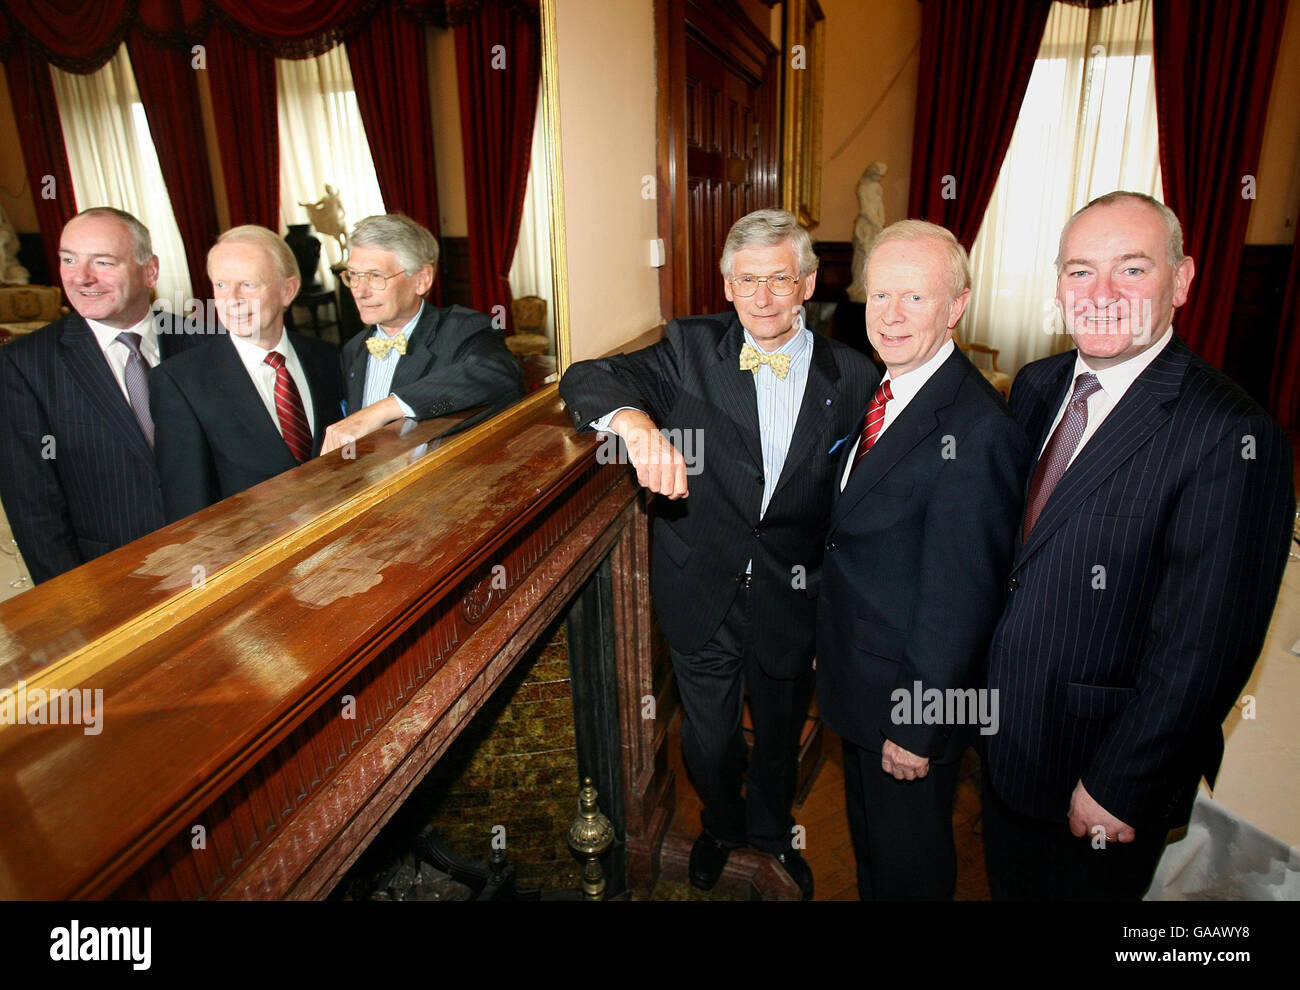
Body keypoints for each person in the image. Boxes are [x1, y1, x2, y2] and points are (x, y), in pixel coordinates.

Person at [982, 191, 1295, 900]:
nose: (1100, 294)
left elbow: (1207, 644)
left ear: (1182, 281)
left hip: (1104, 773)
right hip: (1009, 743)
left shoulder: (1230, 437)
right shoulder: (1035, 386)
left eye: (1131, 269)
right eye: (1080, 270)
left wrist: (1124, 780)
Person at [560, 208, 877, 899]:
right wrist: (638, 430)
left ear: (808, 284)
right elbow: (586, 378)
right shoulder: (688, 346)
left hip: (794, 590)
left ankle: (768, 835)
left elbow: (857, 501)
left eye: (780, 280)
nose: (763, 297)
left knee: (782, 726)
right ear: (726, 285)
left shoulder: (853, 374)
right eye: (747, 280)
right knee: (708, 740)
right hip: (699, 583)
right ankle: (719, 827)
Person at [815, 220, 1029, 900]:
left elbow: (962, 602)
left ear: (956, 306)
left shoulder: (975, 430)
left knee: (911, 872)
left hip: (907, 710)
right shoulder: (886, 392)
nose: (891, 315)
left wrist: (917, 726)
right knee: (877, 857)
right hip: (862, 688)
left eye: (914, 297)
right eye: (880, 296)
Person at [0, 207, 204, 582]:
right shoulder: (25, 365)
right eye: (69, 260)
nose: (81, 277)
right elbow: (33, 507)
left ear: (150, 270)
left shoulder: (202, 343)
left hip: (219, 558)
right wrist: (71, 604)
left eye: (103, 262)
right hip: (110, 578)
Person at [150, 226, 344, 521]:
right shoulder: (181, 382)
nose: (232, 299)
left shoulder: (330, 358)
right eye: (221, 285)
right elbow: (188, 510)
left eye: (249, 285)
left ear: (287, 291)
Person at [323, 214, 523, 453]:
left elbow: (500, 373)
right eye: (354, 275)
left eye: (376, 276)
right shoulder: (353, 349)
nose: (360, 291)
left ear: (422, 279)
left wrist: (384, 409)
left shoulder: (463, 329)